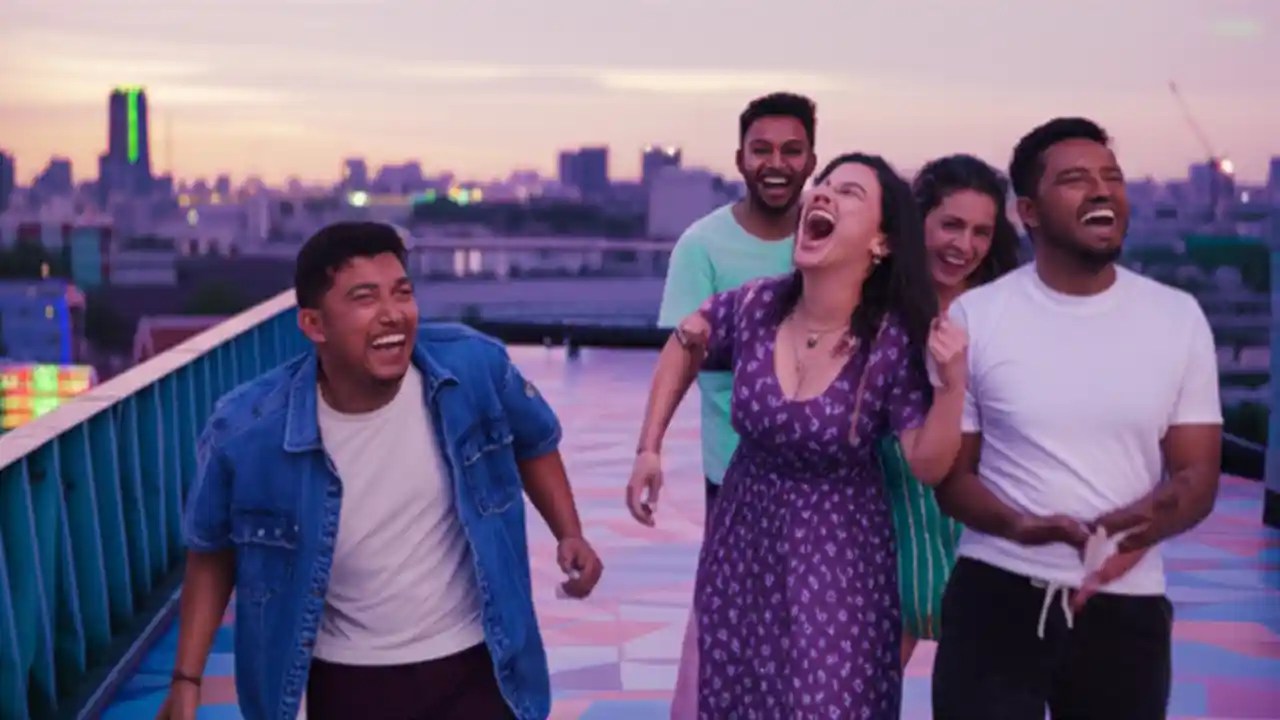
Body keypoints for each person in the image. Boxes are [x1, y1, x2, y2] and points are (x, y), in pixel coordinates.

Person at [156, 222, 604, 720]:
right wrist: (186, 678)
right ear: (313, 325)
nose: (393, 315)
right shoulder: (247, 431)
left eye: (403, 293)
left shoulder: (473, 369)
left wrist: (570, 532)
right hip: (350, 679)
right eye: (365, 298)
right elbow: (213, 551)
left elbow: (534, 439)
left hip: (478, 663)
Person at [629, 152, 968, 718]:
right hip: (742, 548)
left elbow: (927, 464)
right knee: (735, 699)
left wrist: (953, 387)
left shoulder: (891, 343)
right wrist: (649, 446)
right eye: (824, 186)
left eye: (850, 193)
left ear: (881, 242)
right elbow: (685, 343)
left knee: (827, 703)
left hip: (840, 565)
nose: (823, 196)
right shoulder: (755, 304)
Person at [932, 118, 1222, 719]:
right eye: (1075, 179)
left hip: (1127, 605)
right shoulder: (976, 317)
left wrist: (1139, 531)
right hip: (996, 593)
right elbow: (954, 479)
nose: (1101, 190)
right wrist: (1021, 527)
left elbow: (1198, 476)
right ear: (1029, 212)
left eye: (1111, 177)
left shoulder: (1177, 317)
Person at [655, 91, 818, 719]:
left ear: (810, 160)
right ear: (740, 158)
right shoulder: (702, 246)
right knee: (720, 626)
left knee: (814, 634)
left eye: (791, 150)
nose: (776, 163)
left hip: (833, 474)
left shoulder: (830, 233)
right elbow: (686, 351)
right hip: (735, 473)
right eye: (762, 150)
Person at [883, 154, 1022, 666]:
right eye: (951, 225)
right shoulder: (882, 305)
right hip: (892, 507)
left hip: (978, 505)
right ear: (918, 221)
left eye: (981, 232)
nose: (964, 246)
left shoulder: (1003, 310)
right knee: (866, 684)